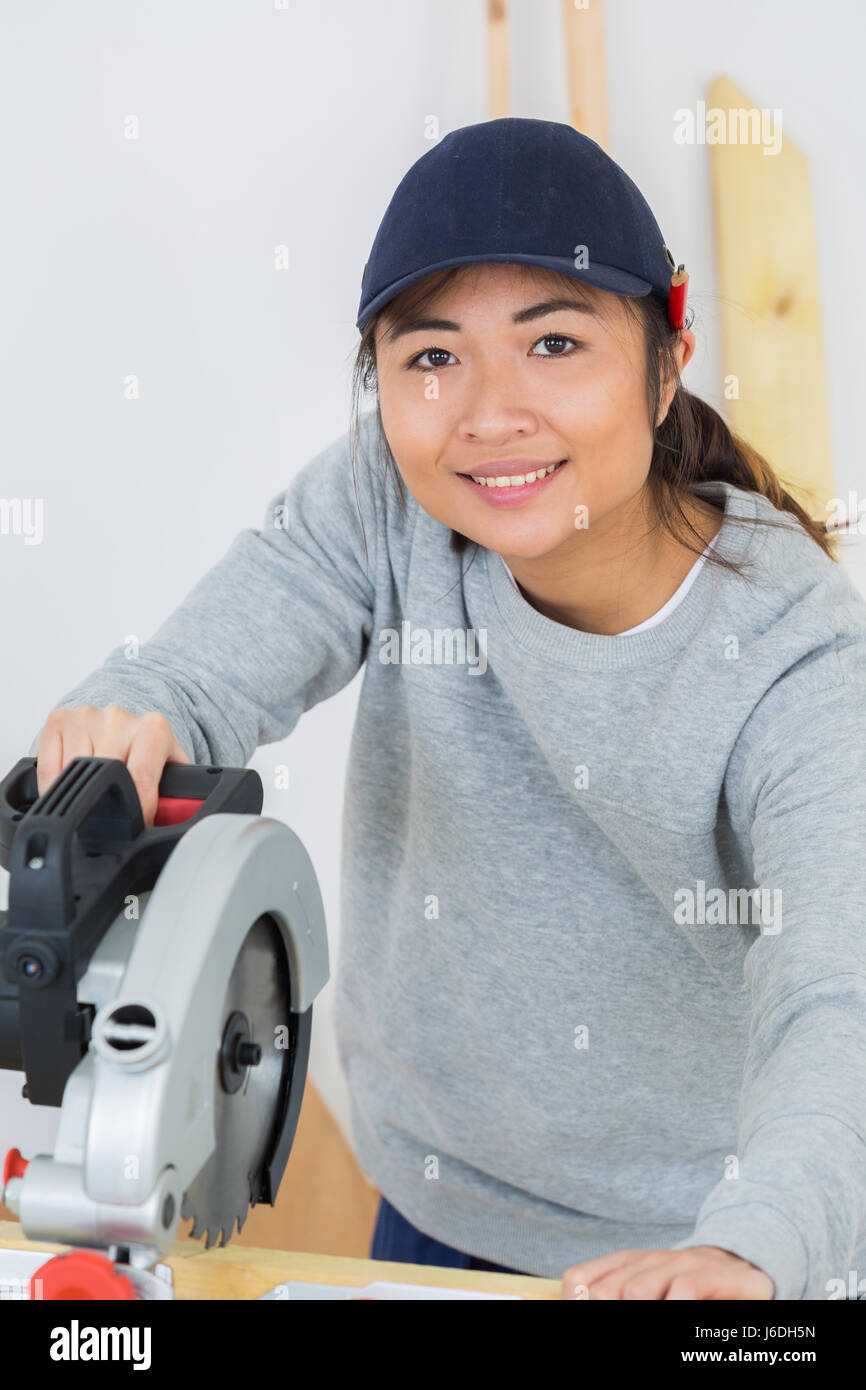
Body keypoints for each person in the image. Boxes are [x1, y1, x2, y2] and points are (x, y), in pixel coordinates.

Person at [30, 118, 866, 1300]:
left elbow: (837, 994)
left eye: (553, 342)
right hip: (434, 1197)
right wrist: (114, 735)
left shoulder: (795, 654)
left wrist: (749, 1248)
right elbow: (191, 681)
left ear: (665, 361)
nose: (488, 414)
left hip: (706, 1240)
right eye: (431, 356)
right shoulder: (384, 497)